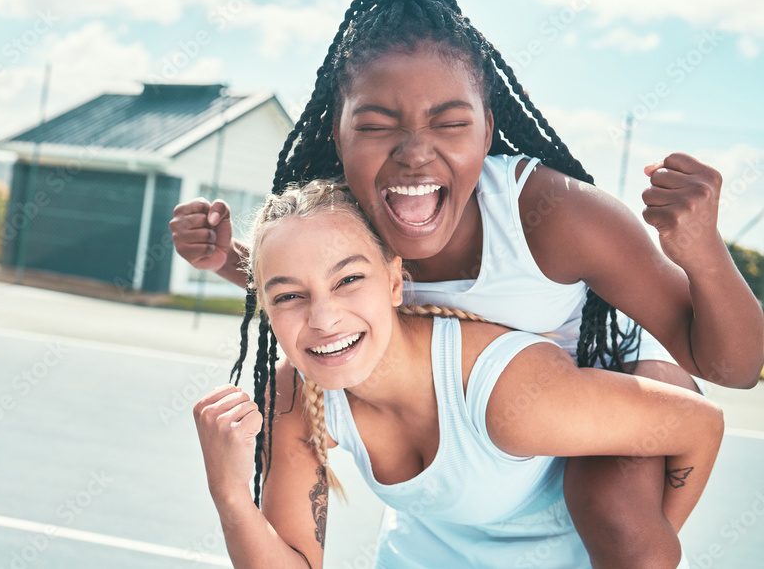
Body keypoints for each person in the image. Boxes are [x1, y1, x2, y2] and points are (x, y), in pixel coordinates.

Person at [172, 0, 764, 566]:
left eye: (451, 122)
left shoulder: (553, 215)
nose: (414, 154)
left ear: (489, 129)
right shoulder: (350, 214)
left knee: (612, 510)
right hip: (471, 426)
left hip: (603, 365)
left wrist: (704, 254)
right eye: (376, 125)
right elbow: (323, 285)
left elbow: (737, 368)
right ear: (338, 132)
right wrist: (233, 261)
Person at [193, 180, 723, 568]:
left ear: (396, 282)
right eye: (288, 295)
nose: (323, 318)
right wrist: (230, 492)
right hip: (425, 550)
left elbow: (701, 425)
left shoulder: (507, 391)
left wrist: (652, 539)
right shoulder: (291, 394)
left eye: (349, 279)